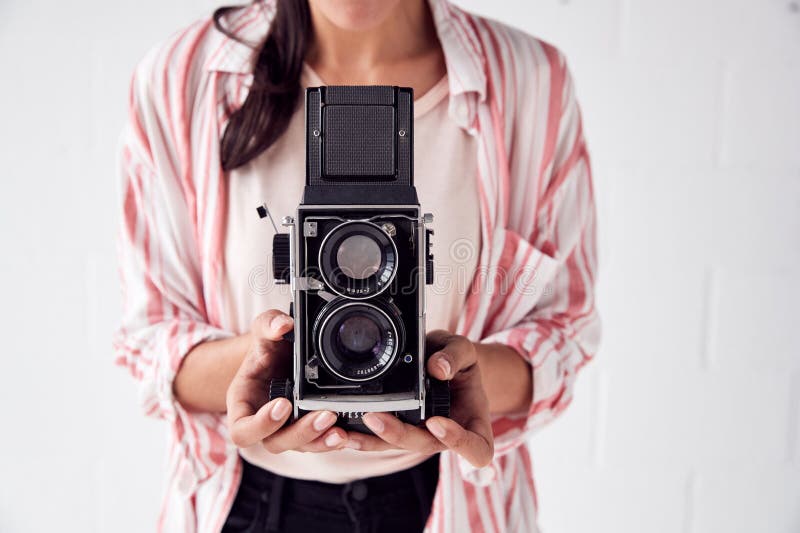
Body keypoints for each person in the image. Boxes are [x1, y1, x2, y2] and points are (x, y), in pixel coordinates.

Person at [113, 0, 600, 531]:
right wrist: (280, 366)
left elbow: (563, 332)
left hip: (450, 498)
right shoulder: (180, 78)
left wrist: (445, 377)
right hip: (244, 498)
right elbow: (151, 339)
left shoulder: (532, 82)